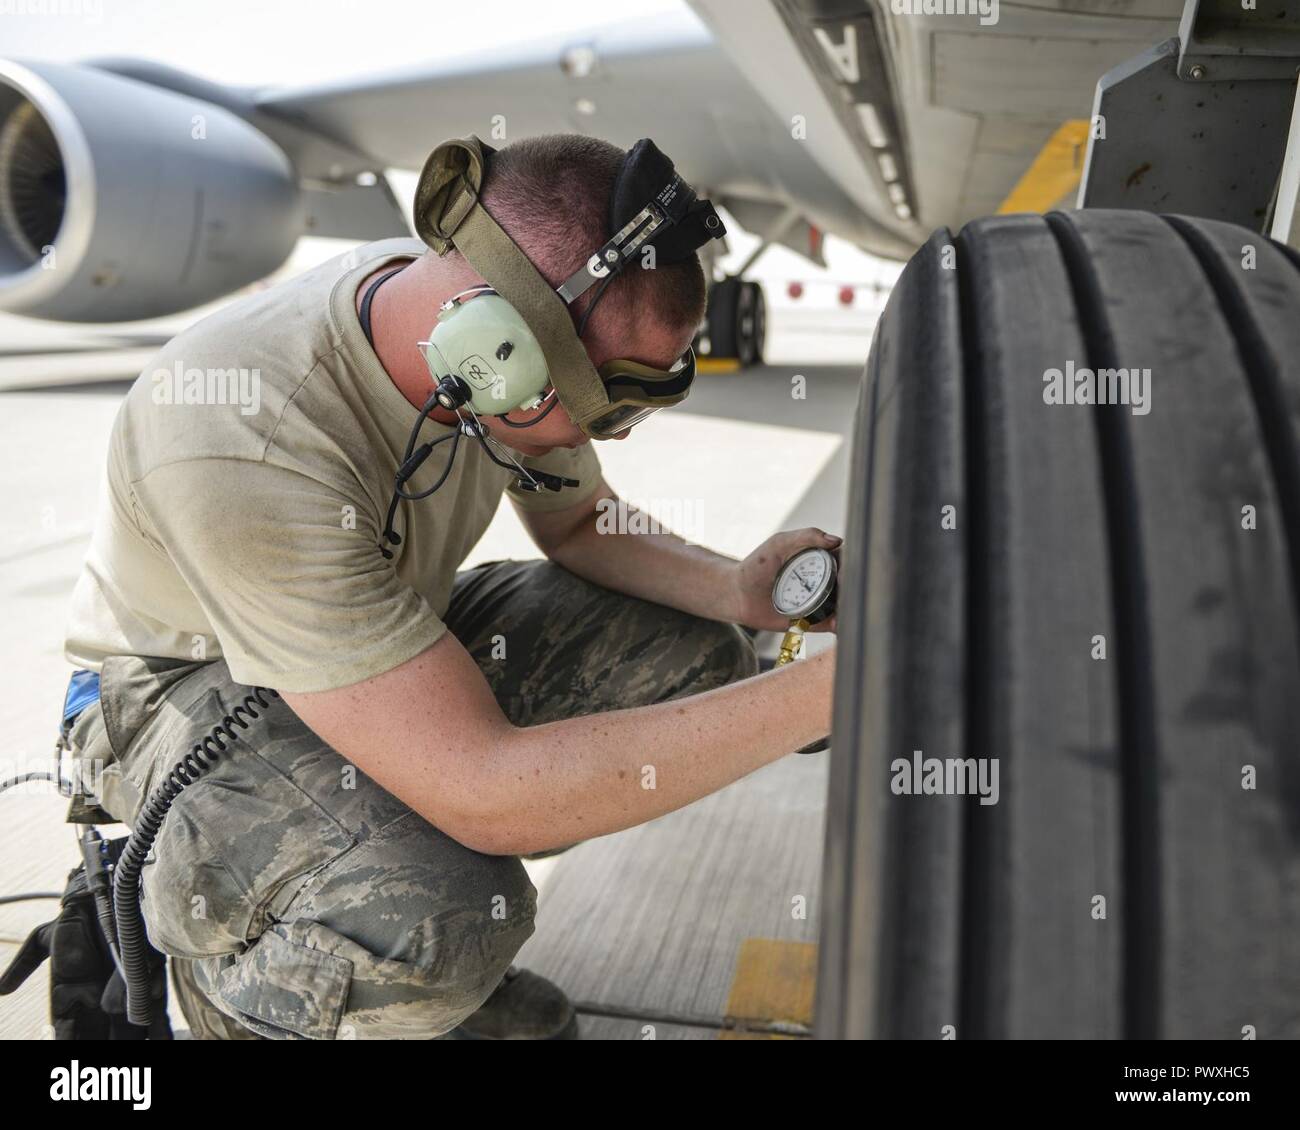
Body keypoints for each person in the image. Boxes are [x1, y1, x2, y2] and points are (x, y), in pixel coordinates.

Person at [60, 133, 837, 1039]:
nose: (612, 436)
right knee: (442, 917)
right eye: (607, 403)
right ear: (498, 344)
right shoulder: (238, 436)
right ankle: (248, 980)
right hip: (174, 693)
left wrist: (736, 591)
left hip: (368, 642)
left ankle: (366, 921)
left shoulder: (471, 334)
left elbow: (581, 523)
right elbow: (486, 788)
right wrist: (830, 695)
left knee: (693, 650)